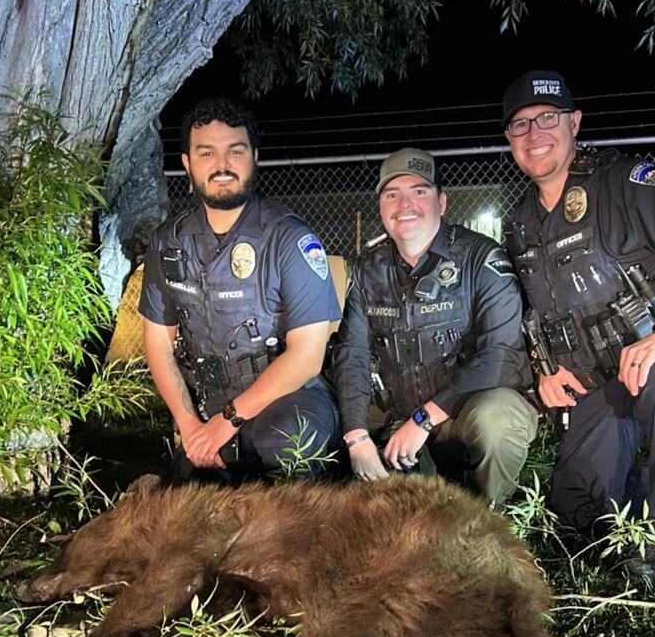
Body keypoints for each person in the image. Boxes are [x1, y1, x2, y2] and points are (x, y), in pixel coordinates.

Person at [503, 69, 655, 578]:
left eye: (548, 118)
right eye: (521, 125)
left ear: (574, 122)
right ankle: (641, 498)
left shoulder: (622, 182)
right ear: (509, 140)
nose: (535, 133)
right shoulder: (518, 222)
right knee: (577, 519)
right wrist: (544, 367)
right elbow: (534, 312)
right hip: (602, 376)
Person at [139, 98, 341, 482]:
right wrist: (189, 424)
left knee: (280, 445)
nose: (223, 164)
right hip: (209, 407)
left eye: (235, 150)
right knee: (187, 494)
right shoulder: (168, 243)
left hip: (291, 401)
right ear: (187, 163)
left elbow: (307, 357)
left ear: (254, 157)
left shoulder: (290, 238)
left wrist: (226, 423)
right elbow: (159, 344)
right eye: (207, 152)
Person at [332, 147, 537, 503]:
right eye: (392, 194)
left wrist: (423, 419)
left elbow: (500, 355)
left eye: (419, 192)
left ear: (442, 202)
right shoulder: (368, 268)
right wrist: (356, 436)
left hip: (461, 411)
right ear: (381, 205)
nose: (404, 204)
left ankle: (486, 520)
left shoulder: (481, 258)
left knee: (496, 421)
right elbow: (352, 354)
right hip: (396, 411)